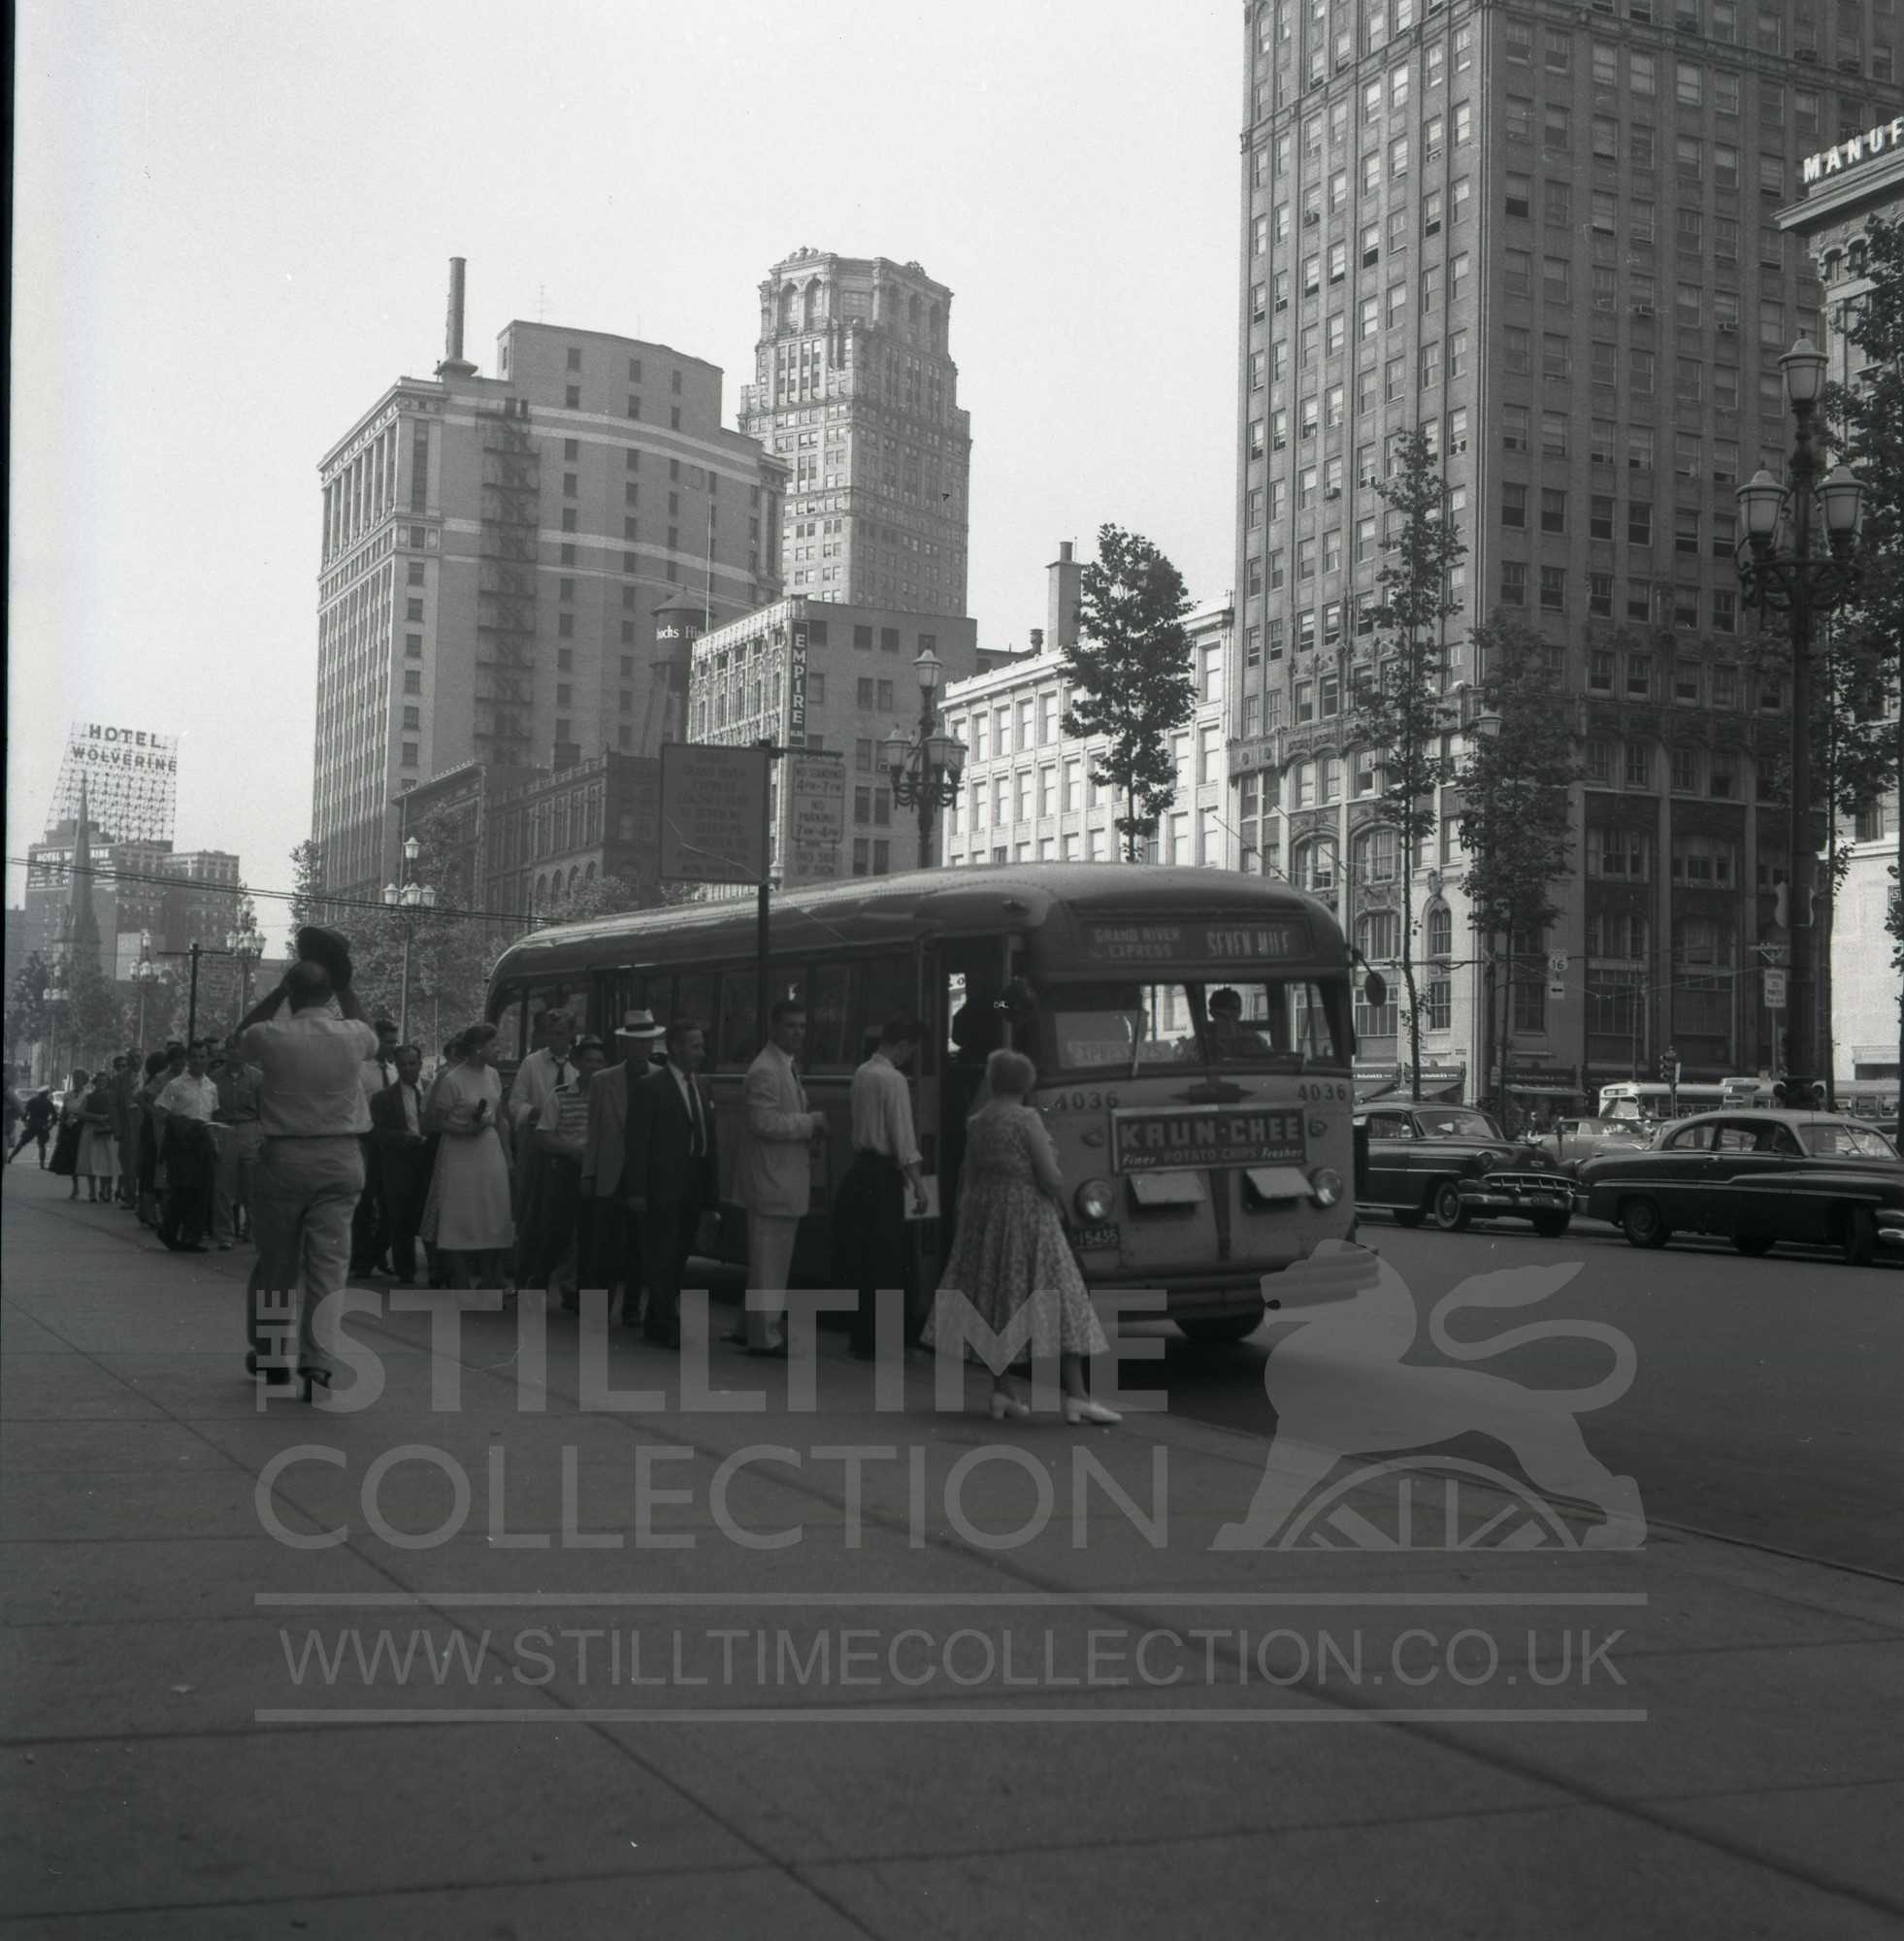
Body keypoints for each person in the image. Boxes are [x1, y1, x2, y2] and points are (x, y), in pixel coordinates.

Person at [927, 1046, 1118, 1425]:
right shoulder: (1026, 1118)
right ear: (1026, 1083)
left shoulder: (978, 1121)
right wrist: (1059, 1184)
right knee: (1062, 1298)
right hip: (1029, 1217)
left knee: (999, 1300)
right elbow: (1048, 1176)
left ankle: (1003, 1392)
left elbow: (971, 1175)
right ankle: (1077, 1396)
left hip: (987, 1218)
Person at [236, 960, 379, 1389]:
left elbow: (241, 1035)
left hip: (285, 1157)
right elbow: (370, 1031)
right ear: (330, 994)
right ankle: (318, 1359)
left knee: (277, 1262)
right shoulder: (352, 1035)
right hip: (341, 1158)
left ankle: (270, 1354)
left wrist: (277, 994)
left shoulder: (272, 1035)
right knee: (329, 1265)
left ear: (292, 992)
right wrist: (347, 987)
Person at [737, 1000, 828, 1357]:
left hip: (780, 1178)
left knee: (766, 1262)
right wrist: (811, 1123)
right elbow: (764, 1123)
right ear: (774, 1027)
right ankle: (766, 1336)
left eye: (803, 1026)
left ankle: (752, 1327)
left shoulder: (784, 1066)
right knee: (770, 1264)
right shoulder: (766, 1069)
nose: (798, 1033)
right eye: (791, 1026)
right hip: (772, 1180)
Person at [836, 1016, 930, 1360]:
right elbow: (903, 1138)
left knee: (864, 1260)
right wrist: (918, 1185)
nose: (910, 1058)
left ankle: (863, 1337)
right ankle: (888, 1342)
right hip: (885, 1176)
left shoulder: (862, 1073)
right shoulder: (894, 1080)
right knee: (889, 1262)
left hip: (860, 1171)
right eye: (912, 1051)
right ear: (902, 1045)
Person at [623, 1018, 718, 1350]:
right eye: (695, 1046)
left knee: (679, 1255)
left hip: (693, 1180)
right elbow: (637, 1143)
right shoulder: (651, 1087)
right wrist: (636, 1190)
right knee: (662, 1253)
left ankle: (656, 1318)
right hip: (661, 1184)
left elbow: (709, 1142)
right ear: (676, 1048)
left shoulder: (703, 1085)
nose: (701, 1053)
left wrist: (711, 1197)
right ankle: (667, 1322)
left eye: (702, 1046)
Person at [581, 1009, 666, 1323]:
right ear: (626, 1044)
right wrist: (589, 1172)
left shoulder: (661, 1078)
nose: (642, 1048)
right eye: (636, 1042)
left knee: (639, 1246)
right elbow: (594, 1133)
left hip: (643, 1175)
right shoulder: (604, 1081)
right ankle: (599, 1308)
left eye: (647, 1042)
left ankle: (632, 1307)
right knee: (604, 1245)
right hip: (610, 1173)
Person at [521, 1034, 607, 1306]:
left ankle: (577, 1292)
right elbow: (544, 1136)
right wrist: (572, 1150)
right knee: (558, 1232)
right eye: (589, 1061)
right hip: (567, 1170)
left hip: (598, 1172)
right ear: (577, 1063)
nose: (595, 1066)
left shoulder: (610, 1097)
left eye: (600, 1062)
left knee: (591, 1236)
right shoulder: (559, 1096)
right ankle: (538, 1281)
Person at [429, 1024, 514, 1290]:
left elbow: (500, 1118)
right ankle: (462, 1281)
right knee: (461, 1214)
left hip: (489, 1152)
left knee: (493, 1211)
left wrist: (508, 1157)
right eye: (493, 1045)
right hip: (460, 1154)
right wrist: (466, 1128)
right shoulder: (453, 1079)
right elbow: (436, 1121)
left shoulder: (493, 1075)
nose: (497, 1049)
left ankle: (489, 1280)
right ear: (478, 1048)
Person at [509, 1007, 579, 1282]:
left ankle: (567, 1279)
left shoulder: (578, 1065)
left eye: (560, 1033)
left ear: (572, 1035)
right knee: (532, 1212)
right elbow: (515, 1104)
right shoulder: (532, 1063)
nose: (554, 1039)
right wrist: (538, 1112)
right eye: (549, 1033)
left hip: (569, 1146)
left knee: (568, 1216)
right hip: (536, 1145)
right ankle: (523, 1274)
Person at [370, 1044, 438, 1288]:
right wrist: (407, 1139)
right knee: (400, 1218)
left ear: (420, 1064)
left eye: (412, 1063)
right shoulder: (383, 1098)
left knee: (432, 1216)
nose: (408, 1068)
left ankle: (437, 1269)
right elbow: (378, 1133)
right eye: (403, 1064)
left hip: (431, 1162)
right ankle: (405, 1269)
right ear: (396, 1067)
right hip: (400, 1163)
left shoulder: (435, 1090)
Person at [153, 1040, 222, 1249]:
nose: (198, 1061)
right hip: (181, 1142)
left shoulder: (211, 1087)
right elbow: (160, 1111)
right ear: (188, 1059)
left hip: (203, 1142)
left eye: (202, 1056)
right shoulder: (176, 1085)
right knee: (181, 1189)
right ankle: (169, 1232)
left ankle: (192, 1237)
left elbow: (211, 1116)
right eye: (194, 1056)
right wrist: (179, 1124)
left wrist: (215, 1144)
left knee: (201, 1191)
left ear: (208, 1059)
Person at [350, 1020, 402, 1278]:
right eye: (388, 1042)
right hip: (364, 1142)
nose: (393, 1047)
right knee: (364, 1204)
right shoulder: (359, 1070)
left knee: (388, 1203)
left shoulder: (393, 1070)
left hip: (389, 1144)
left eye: (395, 1041)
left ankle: (378, 1254)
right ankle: (361, 1259)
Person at [212, 1033, 264, 1249]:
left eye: (240, 1048)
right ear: (226, 1051)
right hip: (224, 1128)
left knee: (252, 1185)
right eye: (232, 1048)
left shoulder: (257, 1078)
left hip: (250, 1128)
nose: (236, 1053)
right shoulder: (214, 1079)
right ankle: (225, 1233)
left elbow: (263, 1109)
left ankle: (252, 1229)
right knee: (223, 1185)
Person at [78, 1069, 117, 1203]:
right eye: (99, 1081)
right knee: (91, 1162)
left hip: (107, 1130)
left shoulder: (112, 1097)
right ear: (95, 1083)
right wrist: (96, 1117)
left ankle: (105, 1191)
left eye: (104, 1081)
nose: (101, 1083)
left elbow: (117, 1113)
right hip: (91, 1130)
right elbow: (81, 1112)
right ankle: (92, 1192)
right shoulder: (89, 1097)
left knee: (107, 1162)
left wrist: (108, 1119)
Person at [1206, 986, 1270, 1061]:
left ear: (1240, 1012)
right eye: (1222, 1016)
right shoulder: (1200, 1045)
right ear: (1212, 1013)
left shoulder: (1253, 1041)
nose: (1228, 1022)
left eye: (1233, 1011)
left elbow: (1275, 1062)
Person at [111, 1051, 141, 1205]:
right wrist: (117, 1129)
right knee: (128, 1161)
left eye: (139, 1058)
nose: (137, 1061)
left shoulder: (149, 1077)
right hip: (128, 1124)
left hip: (145, 1123)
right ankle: (130, 1196)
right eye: (134, 1058)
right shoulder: (118, 1080)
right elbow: (113, 1106)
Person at [9, 1087, 57, 1167]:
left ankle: (10, 1158)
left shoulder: (32, 1101)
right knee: (42, 1145)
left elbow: (24, 1113)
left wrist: (25, 1122)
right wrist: (50, 1125)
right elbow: (54, 1117)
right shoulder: (48, 1103)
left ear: (39, 1093)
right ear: (45, 1093)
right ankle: (42, 1164)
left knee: (21, 1143)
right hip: (43, 1125)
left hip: (32, 1124)